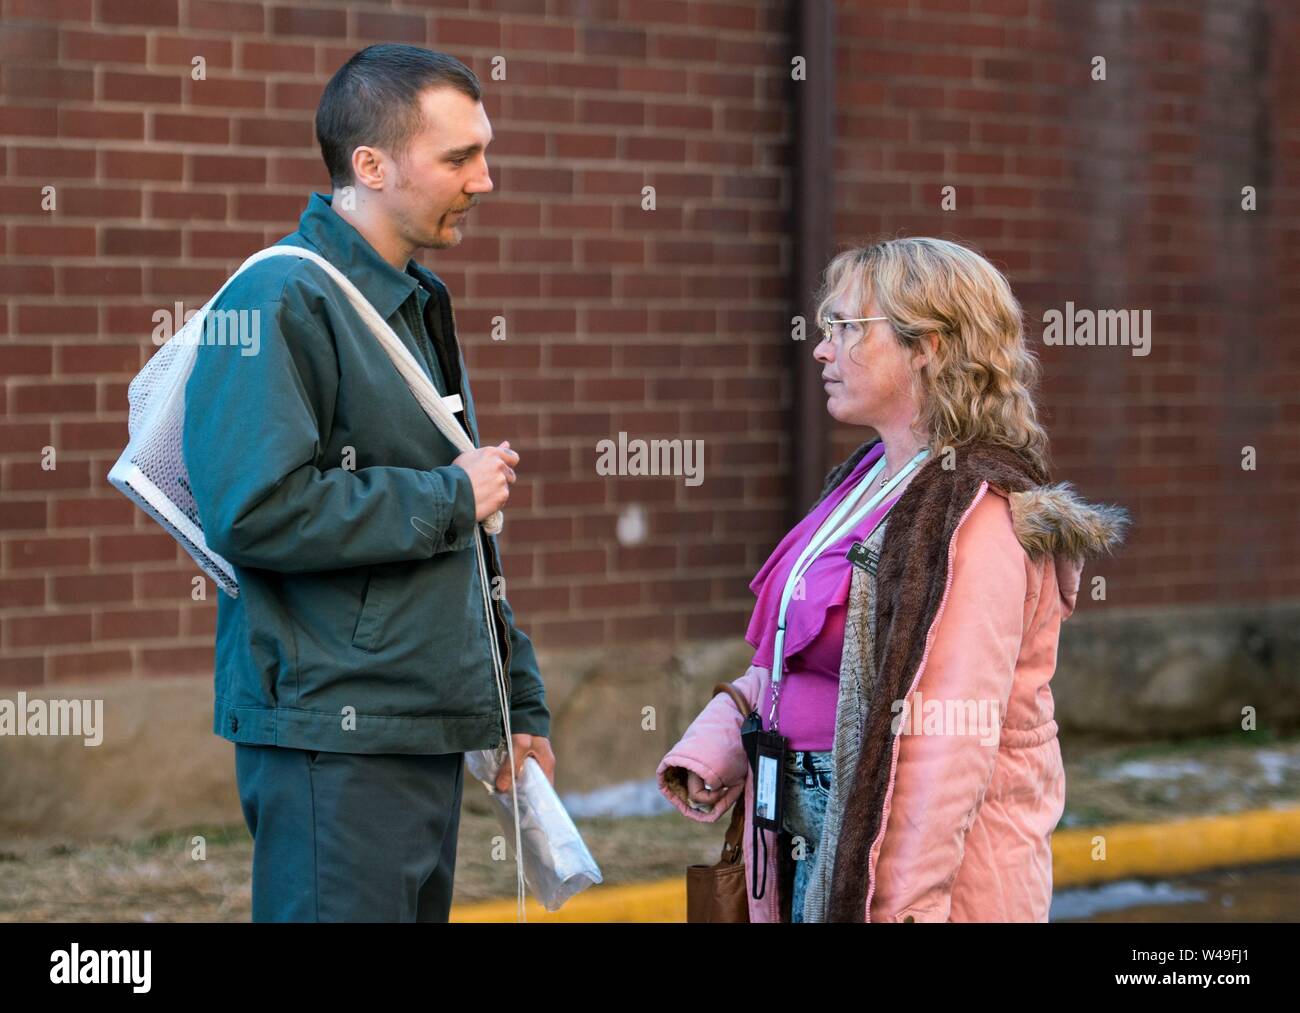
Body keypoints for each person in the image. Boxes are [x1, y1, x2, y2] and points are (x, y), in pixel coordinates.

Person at [182, 45, 555, 922]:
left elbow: (463, 537)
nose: (485, 179)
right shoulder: (273, 299)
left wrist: (515, 693)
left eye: (484, 151)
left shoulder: (414, 297)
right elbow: (253, 509)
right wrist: (449, 497)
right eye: (459, 157)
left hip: (417, 724)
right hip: (335, 740)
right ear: (371, 165)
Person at [658, 237, 1129, 922]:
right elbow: (798, 648)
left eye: (847, 329)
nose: (822, 349)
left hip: (898, 871)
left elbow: (943, 749)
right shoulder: (869, 477)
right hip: (807, 835)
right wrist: (723, 735)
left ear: (927, 347)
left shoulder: (977, 512)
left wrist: (900, 911)